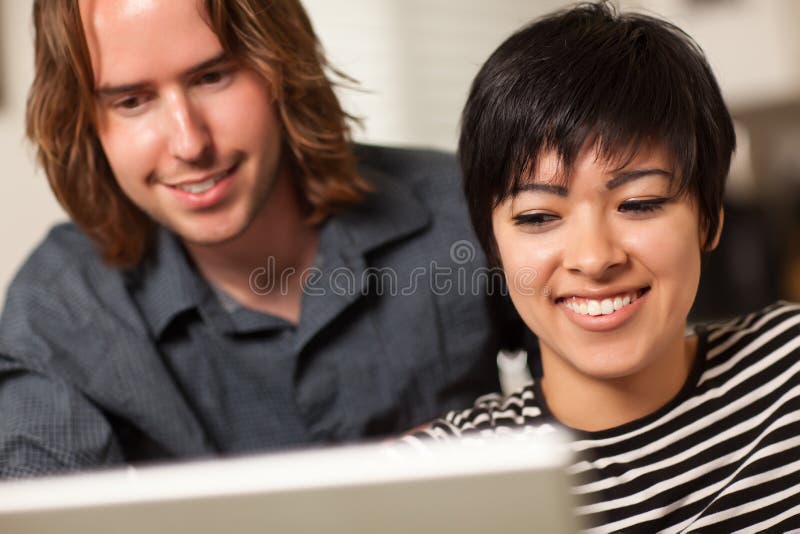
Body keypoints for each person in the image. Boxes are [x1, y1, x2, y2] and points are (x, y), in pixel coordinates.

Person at [0, 0, 517, 478]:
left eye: (213, 77)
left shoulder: (465, 207)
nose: (189, 143)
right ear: (85, 122)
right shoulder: (59, 305)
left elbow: (593, 426)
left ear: (282, 67)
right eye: (132, 101)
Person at [407, 3, 800, 531]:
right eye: (540, 215)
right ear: (493, 247)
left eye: (639, 204)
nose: (594, 259)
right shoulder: (442, 478)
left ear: (709, 218)